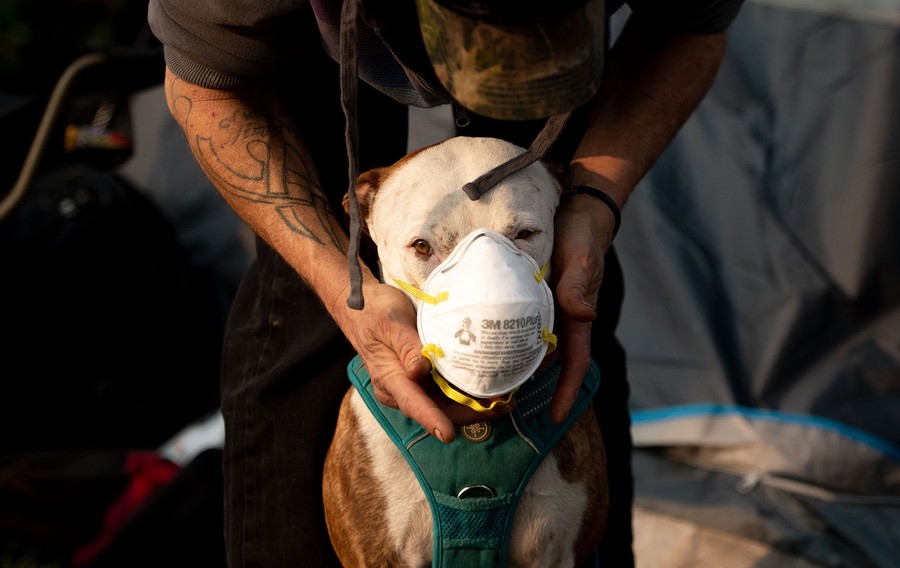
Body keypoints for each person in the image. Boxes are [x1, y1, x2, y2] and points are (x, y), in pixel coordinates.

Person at [147, 0, 744, 566]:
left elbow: (690, 27)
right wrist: (339, 284)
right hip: (310, 41)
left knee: (561, 288)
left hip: (566, 55)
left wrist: (593, 203)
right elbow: (204, 87)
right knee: (305, 312)